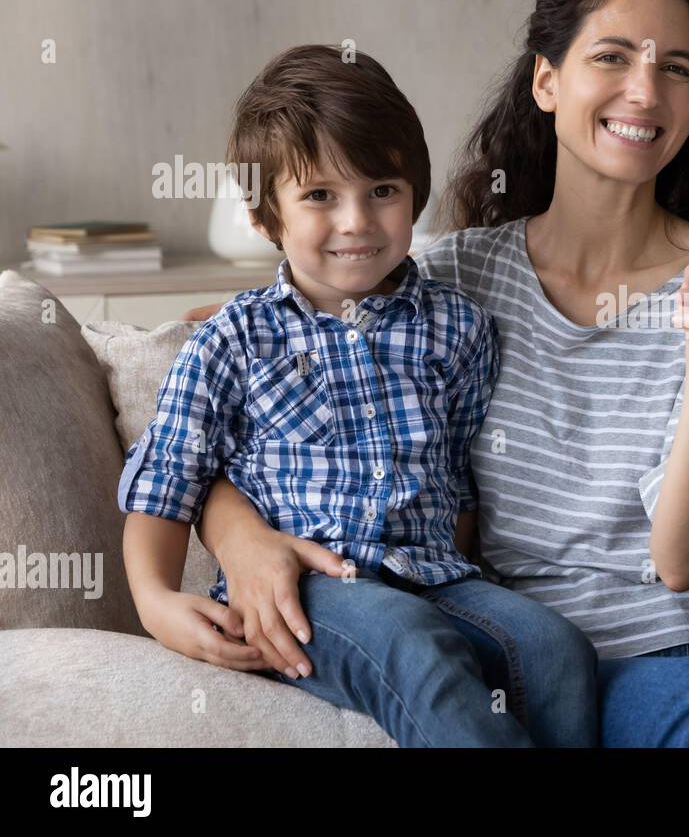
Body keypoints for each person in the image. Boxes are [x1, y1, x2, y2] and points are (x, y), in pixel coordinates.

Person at [186, 0, 689, 747]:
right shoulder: (453, 279)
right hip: (533, 660)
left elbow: (682, 560)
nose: (644, 90)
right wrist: (242, 538)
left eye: (677, 68)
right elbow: (231, 413)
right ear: (547, 80)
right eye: (611, 57)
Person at [118, 44, 598, 747]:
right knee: (411, 647)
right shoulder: (232, 341)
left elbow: (460, 484)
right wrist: (158, 603)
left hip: (435, 577)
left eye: (382, 190)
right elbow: (167, 481)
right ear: (265, 216)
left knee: (555, 649)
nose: (357, 222)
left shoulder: (457, 328)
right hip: (312, 589)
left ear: (415, 195)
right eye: (319, 196)